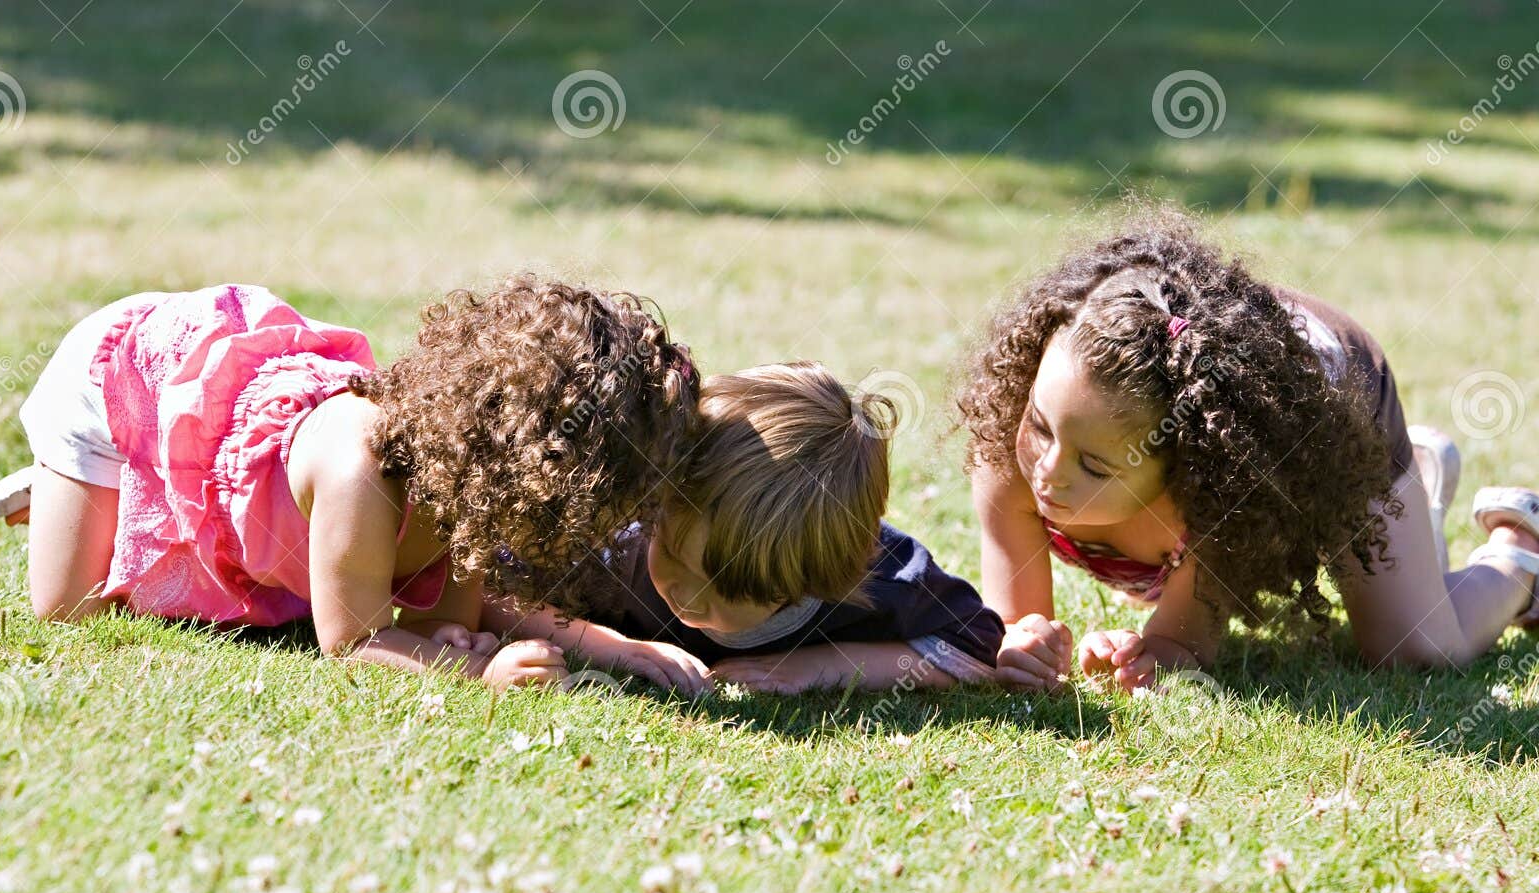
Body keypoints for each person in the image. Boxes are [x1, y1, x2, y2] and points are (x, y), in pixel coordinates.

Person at [0, 278, 700, 689]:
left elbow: (442, 624)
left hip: (261, 467)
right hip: (129, 383)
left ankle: (107, 497)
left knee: (294, 577)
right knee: (67, 606)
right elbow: (353, 641)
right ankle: (97, 474)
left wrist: (613, 647)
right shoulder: (359, 471)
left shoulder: (471, 500)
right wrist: (475, 674)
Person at [957, 213, 1539, 692]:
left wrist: (1149, 653)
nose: (1048, 470)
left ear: (1183, 466)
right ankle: (1418, 503)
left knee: (1417, 648)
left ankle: (1519, 557)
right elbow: (1013, 621)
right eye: (1041, 426)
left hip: (1330, 409)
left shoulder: (1230, 486)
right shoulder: (1013, 446)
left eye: (1095, 465)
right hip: (1201, 351)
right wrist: (1025, 645)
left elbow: (1181, 643)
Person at [484, 362, 1003, 694]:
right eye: (677, 559)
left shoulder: (877, 576)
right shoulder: (632, 532)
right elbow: (494, 590)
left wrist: (812, 669)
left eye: (729, 589)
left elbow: (972, 647)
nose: (687, 596)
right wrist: (616, 648)